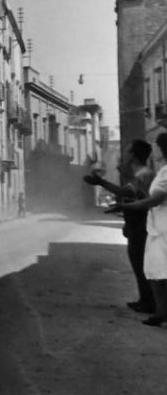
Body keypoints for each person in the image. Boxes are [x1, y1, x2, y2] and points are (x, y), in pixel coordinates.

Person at [86, 139, 155, 313]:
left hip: (143, 226)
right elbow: (127, 193)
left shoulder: (144, 174)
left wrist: (102, 183)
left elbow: (134, 197)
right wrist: (102, 182)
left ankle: (150, 302)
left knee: (141, 264)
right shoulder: (140, 174)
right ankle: (145, 299)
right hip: (137, 225)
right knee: (138, 263)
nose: (123, 154)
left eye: (126, 151)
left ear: (132, 155)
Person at [114, 133, 167, 326]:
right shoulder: (159, 172)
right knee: (154, 269)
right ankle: (158, 310)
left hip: (160, 227)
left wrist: (125, 207)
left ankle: (155, 308)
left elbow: (151, 199)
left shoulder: (154, 173)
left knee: (156, 270)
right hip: (154, 226)